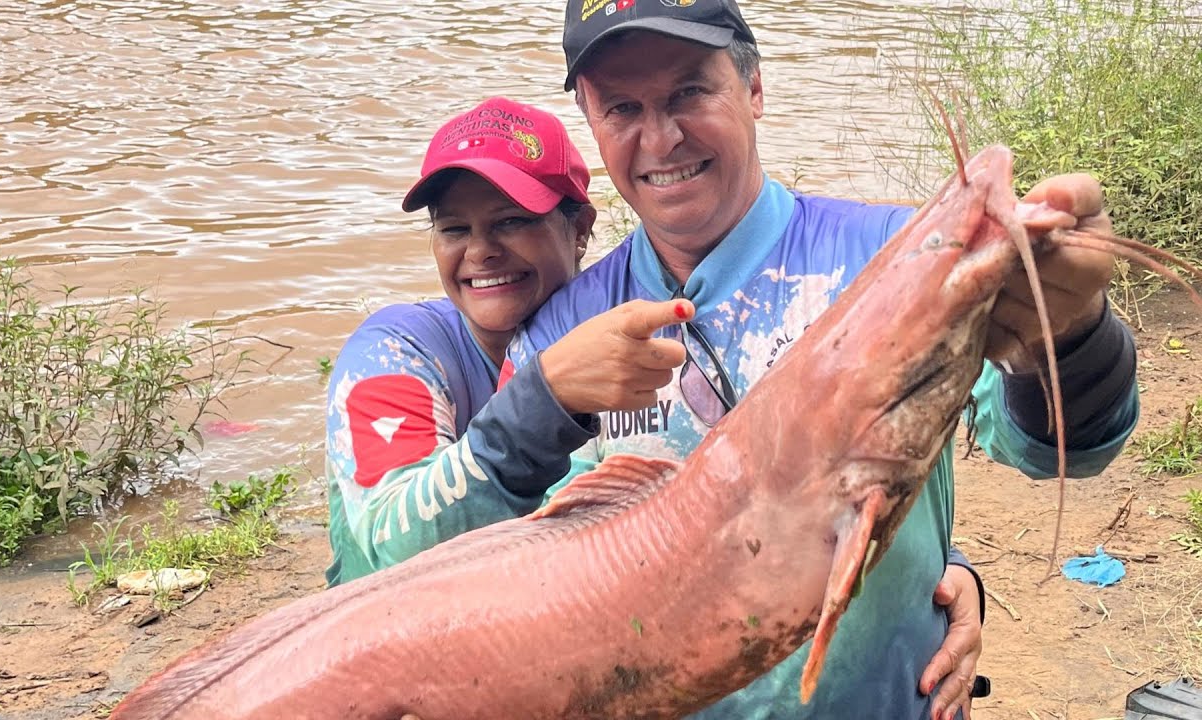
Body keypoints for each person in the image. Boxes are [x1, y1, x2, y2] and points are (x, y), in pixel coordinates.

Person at [355, 4, 1137, 720]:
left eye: (689, 92)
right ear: (591, 119)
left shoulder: (886, 254)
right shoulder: (558, 330)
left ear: (754, 87)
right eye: (623, 108)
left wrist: (1069, 333)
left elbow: (1053, 450)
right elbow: (497, 575)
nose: (661, 138)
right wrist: (546, 402)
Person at [325, 96, 628, 586]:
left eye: (510, 221)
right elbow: (395, 550)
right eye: (454, 229)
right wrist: (546, 405)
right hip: (392, 621)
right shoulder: (394, 350)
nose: (481, 251)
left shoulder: (624, 332)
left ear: (579, 229)